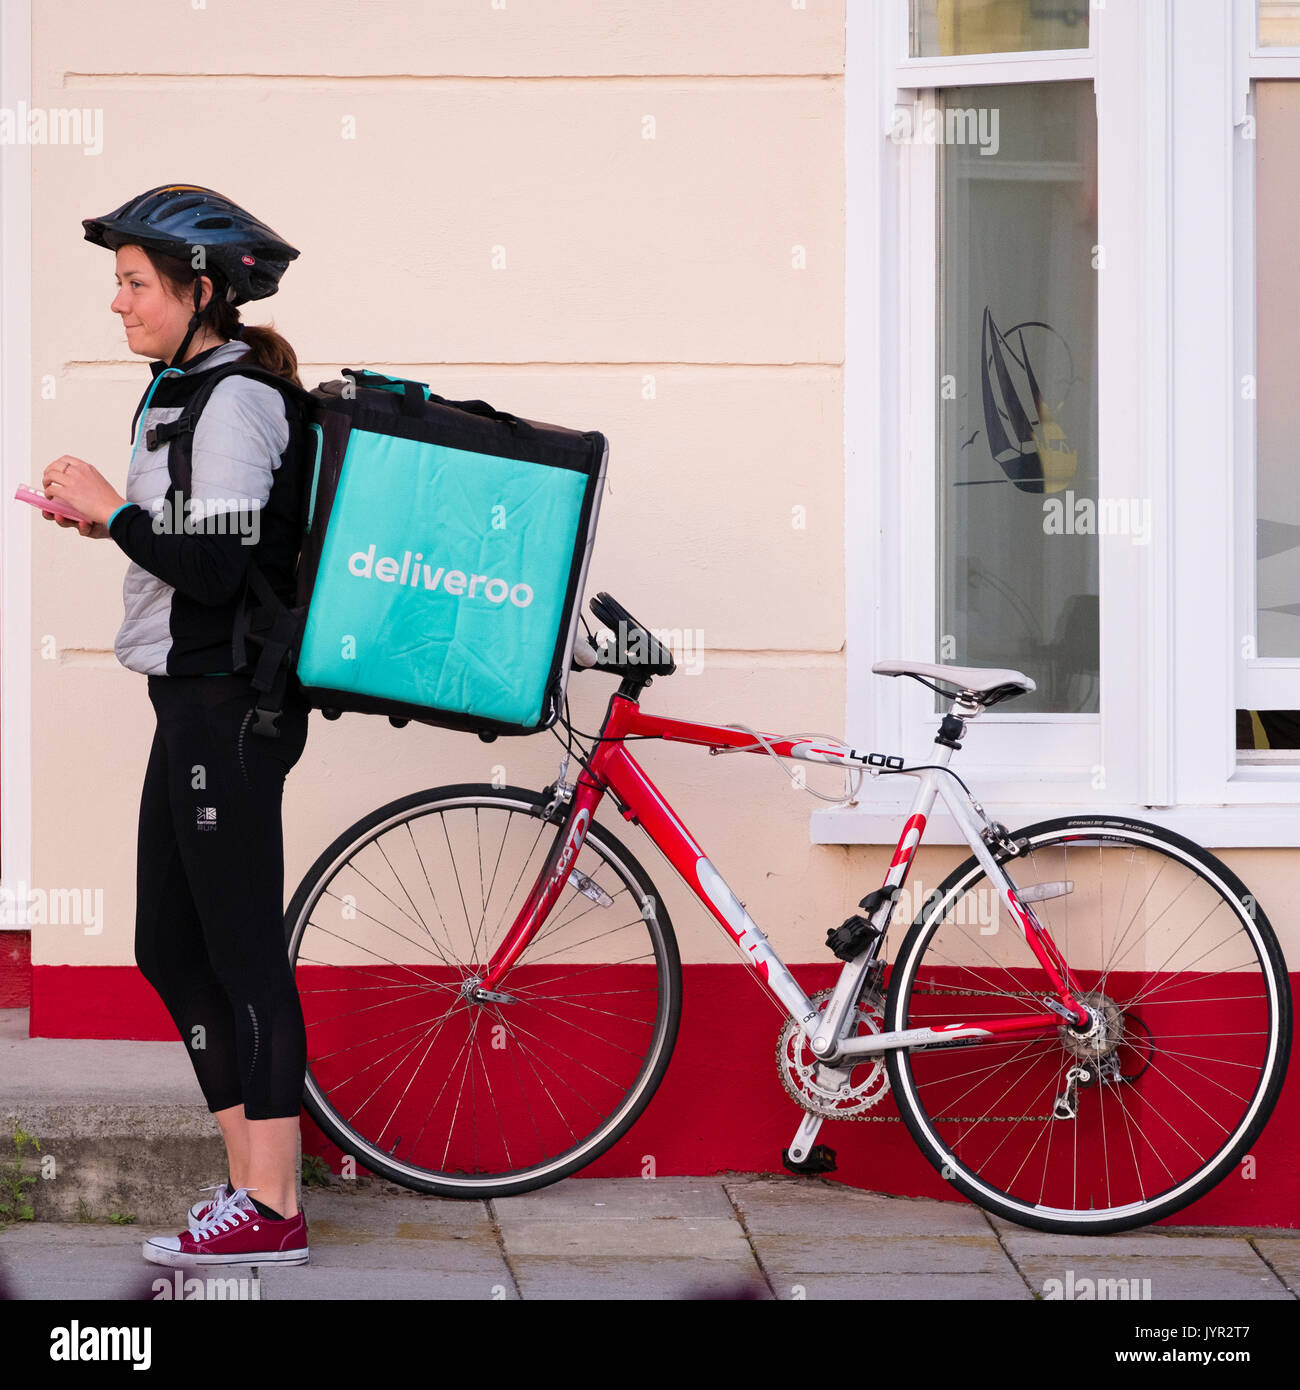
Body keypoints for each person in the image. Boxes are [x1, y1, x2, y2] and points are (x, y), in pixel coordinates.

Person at [41, 185, 313, 1267]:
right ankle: (248, 1184)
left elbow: (217, 563)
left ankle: (274, 1202)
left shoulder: (238, 400)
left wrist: (114, 512)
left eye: (135, 282)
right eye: (117, 281)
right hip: (188, 696)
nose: (118, 303)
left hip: (230, 704)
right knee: (170, 943)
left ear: (202, 292)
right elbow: (190, 545)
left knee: (243, 949)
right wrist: (112, 521)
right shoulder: (188, 389)